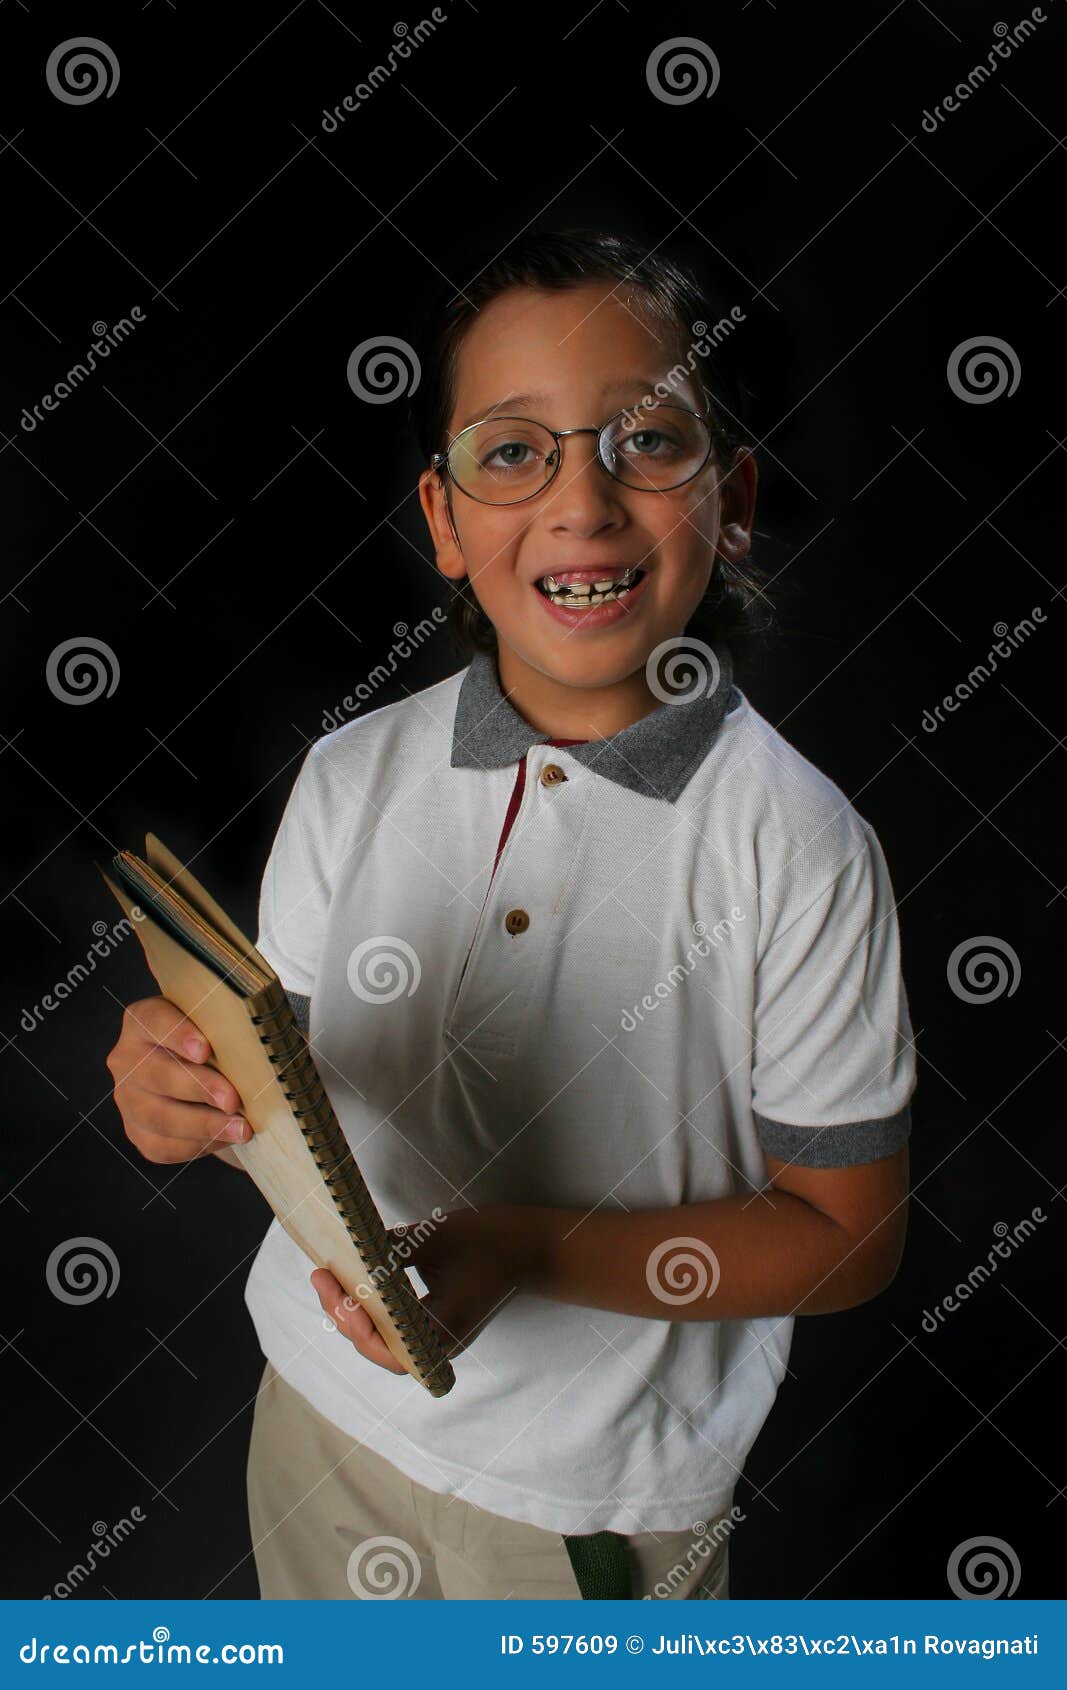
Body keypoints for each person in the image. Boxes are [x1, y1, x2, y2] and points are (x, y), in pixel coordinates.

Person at [105, 228, 917, 1601]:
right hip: (318, 1427)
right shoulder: (352, 776)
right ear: (443, 520)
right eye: (512, 450)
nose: (582, 504)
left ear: (732, 502)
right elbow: (291, 1094)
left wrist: (526, 1245)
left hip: (583, 1510)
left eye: (646, 442)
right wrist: (180, 1096)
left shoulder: (801, 846)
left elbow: (847, 1233)